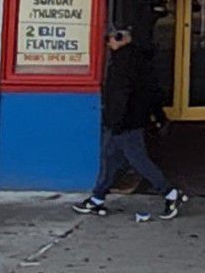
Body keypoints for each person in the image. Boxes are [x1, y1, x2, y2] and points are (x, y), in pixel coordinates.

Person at [75, 22, 183, 217]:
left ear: (118, 39)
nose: (108, 44)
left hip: (124, 122)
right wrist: (158, 116)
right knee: (110, 158)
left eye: (109, 39)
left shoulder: (122, 63)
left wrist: (115, 121)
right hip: (129, 120)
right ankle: (97, 197)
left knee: (138, 160)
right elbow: (152, 92)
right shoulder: (141, 61)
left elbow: (120, 95)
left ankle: (170, 193)